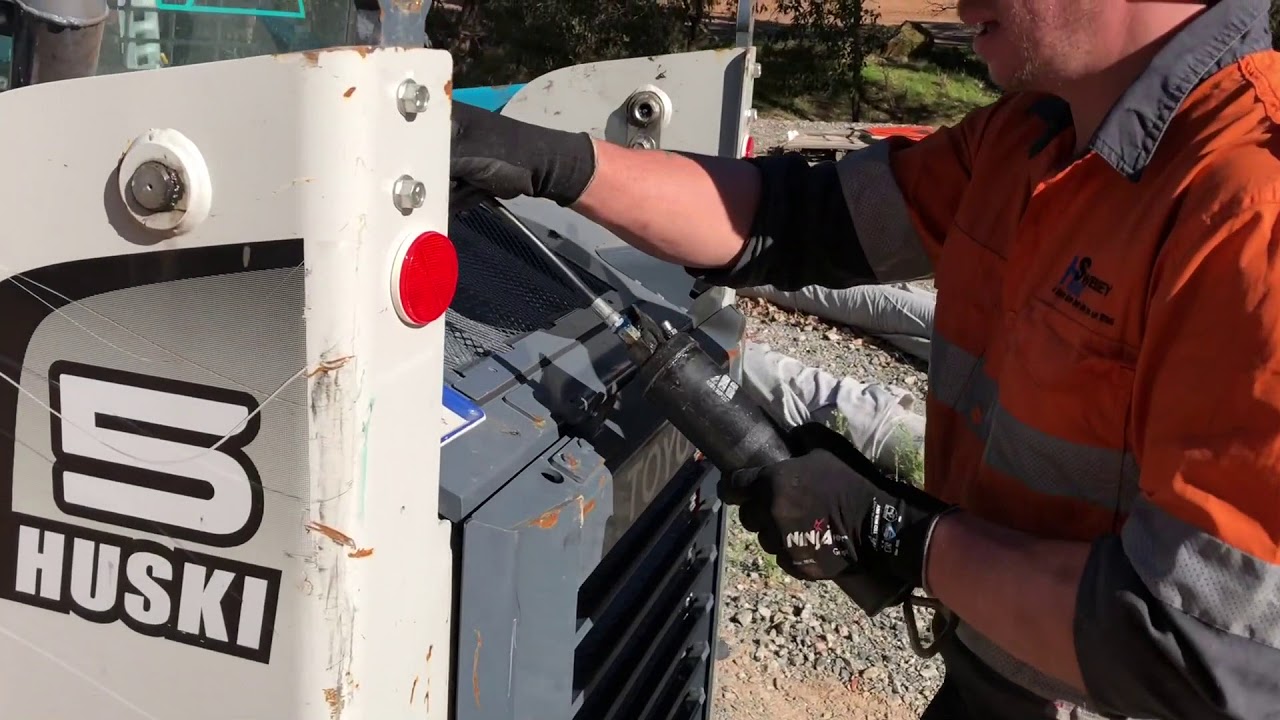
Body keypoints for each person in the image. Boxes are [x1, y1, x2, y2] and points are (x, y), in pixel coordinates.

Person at [447, 0, 1280, 716]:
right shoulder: (1028, 139)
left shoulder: (1249, 206)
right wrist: (555, 164)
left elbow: (1202, 648)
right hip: (996, 682)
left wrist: (894, 531)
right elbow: (795, 219)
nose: (956, 4)